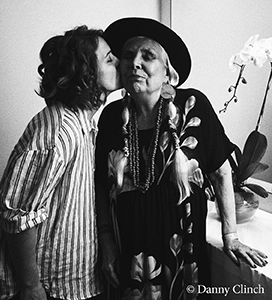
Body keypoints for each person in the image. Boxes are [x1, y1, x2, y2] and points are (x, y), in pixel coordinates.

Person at [94, 17, 268, 300]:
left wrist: (230, 237)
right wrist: (106, 241)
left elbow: (221, 173)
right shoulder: (112, 118)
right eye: (127, 55)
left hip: (184, 254)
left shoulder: (192, 107)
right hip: (128, 253)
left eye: (147, 56)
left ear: (168, 74)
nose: (134, 62)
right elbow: (102, 185)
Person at [0, 25, 121, 300]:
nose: (119, 63)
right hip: (41, 287)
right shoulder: (57, 131)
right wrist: (31, 286)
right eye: (109, 58)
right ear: (86, 72)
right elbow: (19, 214)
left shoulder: (83, 124)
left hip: (66, 283)